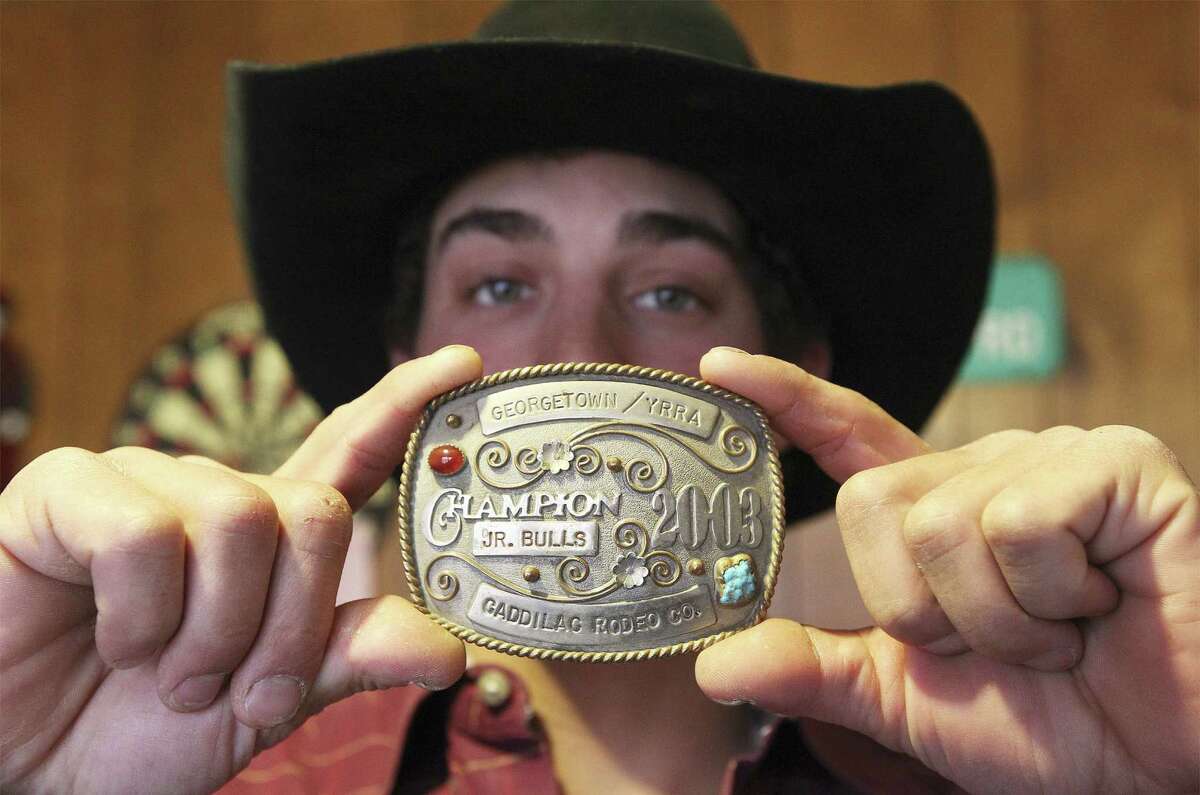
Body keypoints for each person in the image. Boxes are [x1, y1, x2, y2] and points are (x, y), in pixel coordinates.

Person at [2, 3, 1197, 793]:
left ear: (798, 376)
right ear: (399, 361)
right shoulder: (207, 780)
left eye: (672, 291)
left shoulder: (1017, 775)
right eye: (503, 280)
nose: (574, 355)